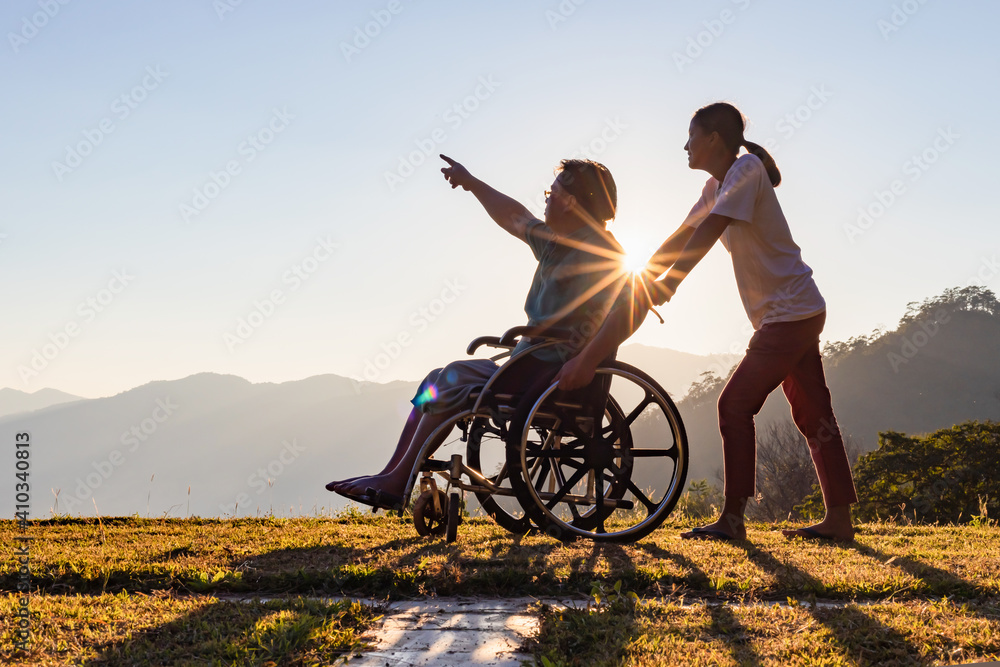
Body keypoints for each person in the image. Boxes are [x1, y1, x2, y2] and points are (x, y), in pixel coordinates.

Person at [555, 102, 858, 542]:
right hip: (793, 312)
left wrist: (668, 285)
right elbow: (681, 236)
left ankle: (734, 519)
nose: (685, 145)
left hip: (790, 314)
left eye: (691, 136)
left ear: (713, 138)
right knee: (815, 415)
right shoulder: (717, 185)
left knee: (733, 405)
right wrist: (638, 278)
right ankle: (839, 520)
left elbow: (711, 229)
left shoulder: (746, 169)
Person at [326, 153, 636, 510]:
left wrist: (586, 361)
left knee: (452, 377)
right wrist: (471, 183)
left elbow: (628, 310)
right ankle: (393, 473)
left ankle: (396, 481)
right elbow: (516, 217)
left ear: (571, 202)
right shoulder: (556, 243)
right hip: (528, 364)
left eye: (552, 194)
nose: (546, 199)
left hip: (549, 372)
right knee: (435, 379)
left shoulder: (601, 250)